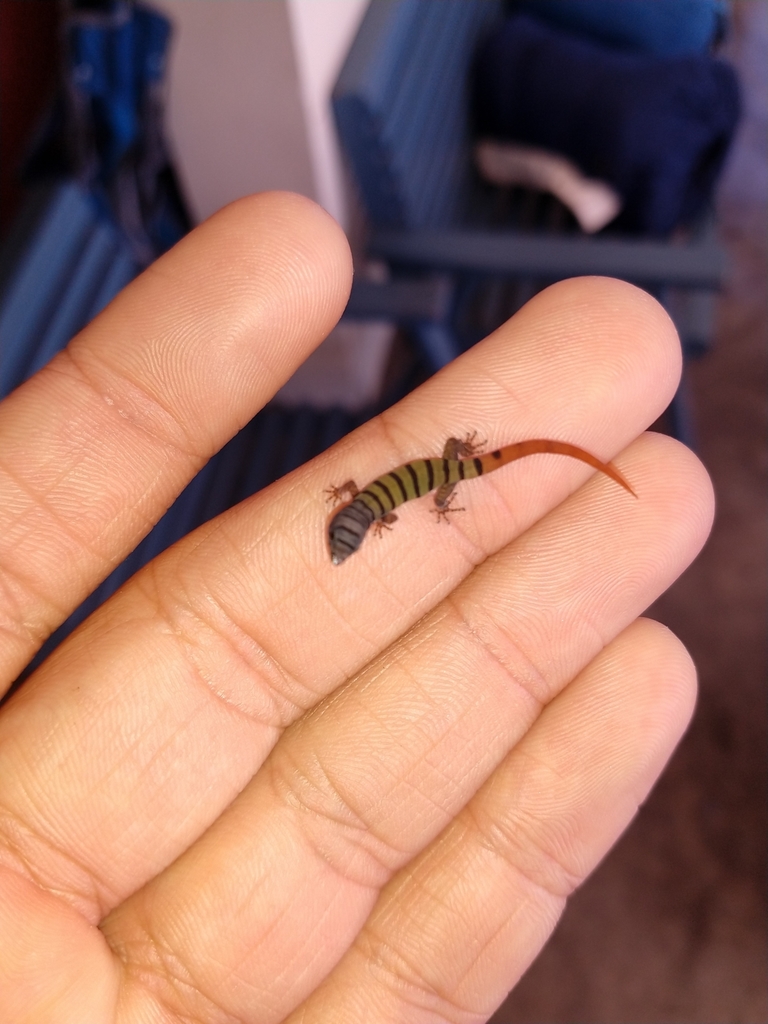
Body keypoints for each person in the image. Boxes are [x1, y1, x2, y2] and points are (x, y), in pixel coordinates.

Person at [0, 192, 712, 1022]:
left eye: (347, 534)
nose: (345, 539)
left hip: (436, 476)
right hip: (431, 477)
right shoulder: (386, 500)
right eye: (349, 534)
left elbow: (383, 501)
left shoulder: (398, 497)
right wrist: (414, 494)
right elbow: (376, 501)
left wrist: (428, 490)